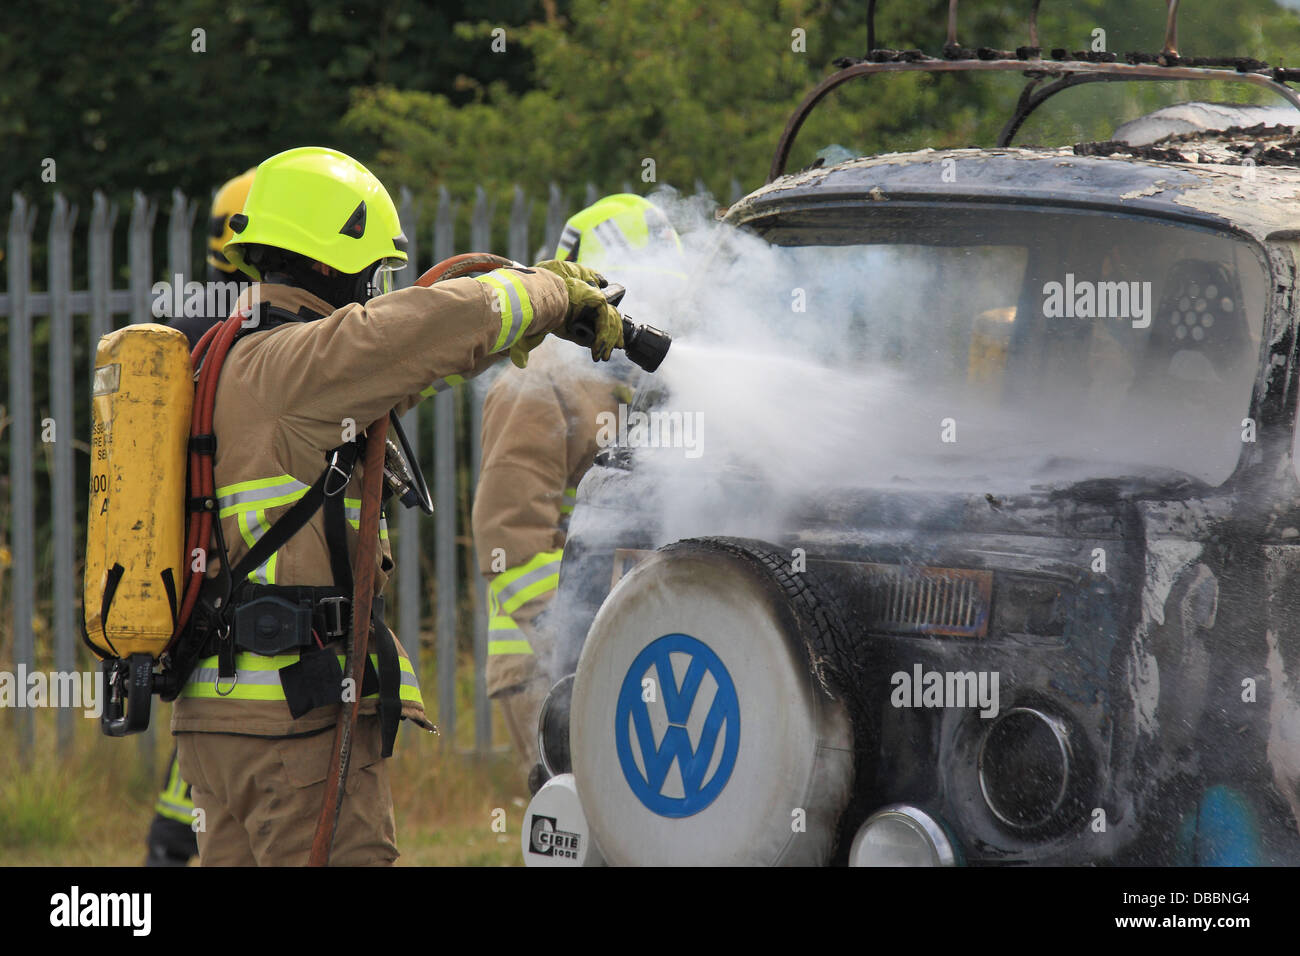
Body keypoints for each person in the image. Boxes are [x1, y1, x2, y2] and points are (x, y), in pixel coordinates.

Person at [171, 146, 622, 865]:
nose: (373, 286)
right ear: (334, 260)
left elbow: (409, 359)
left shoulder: (216, 362)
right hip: (295, 724)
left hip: (211, 723)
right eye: (373, 270)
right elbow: (422, 327)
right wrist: (552, 294)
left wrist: (517, 322)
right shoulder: (300, 364)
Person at [473, 194, 682, 790]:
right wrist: (576, 645)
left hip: (620, 654)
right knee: (583, 828)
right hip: (548, 665)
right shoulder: (537, 387)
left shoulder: (625, 384)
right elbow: (506, 540)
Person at [145, 167, 255, 867]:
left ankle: (165, 849)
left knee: (202, 720)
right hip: (246, 561)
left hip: (178, 560)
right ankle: (173, 845)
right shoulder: (265, 335)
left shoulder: (174, 331)